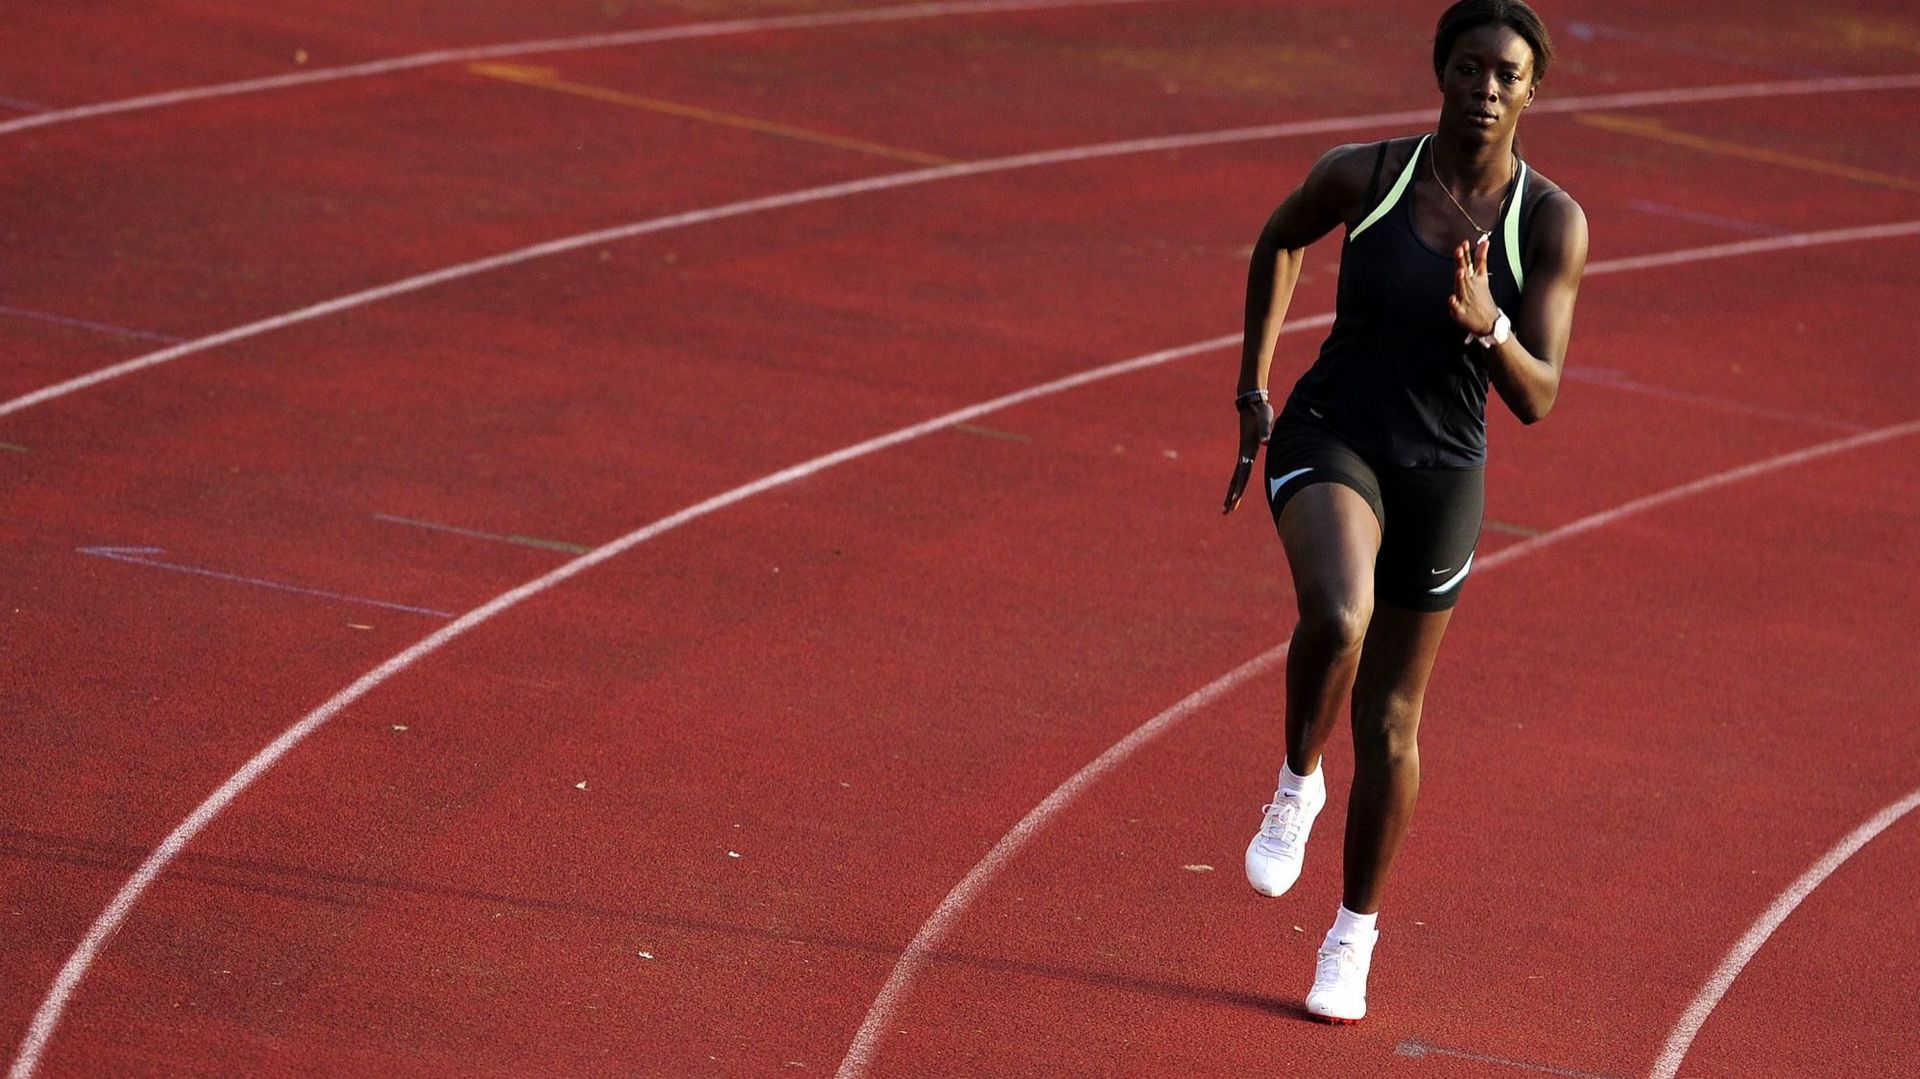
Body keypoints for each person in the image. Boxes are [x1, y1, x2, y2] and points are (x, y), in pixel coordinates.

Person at [1219, 0, 1588, 1023]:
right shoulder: (1368, 175)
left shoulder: (1550, 222)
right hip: (1332, 433)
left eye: (1505, 75)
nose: (1484, 89)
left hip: (1442, 472)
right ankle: (1296, 781)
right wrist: (1254, 384)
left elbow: (1540, 394)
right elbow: (1280, 238)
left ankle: (1353, 938)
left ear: (1531, 92)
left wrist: (1491, 327)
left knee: (1391, 722)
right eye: (1468, 68)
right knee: (1339, 613)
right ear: (1440, 73)